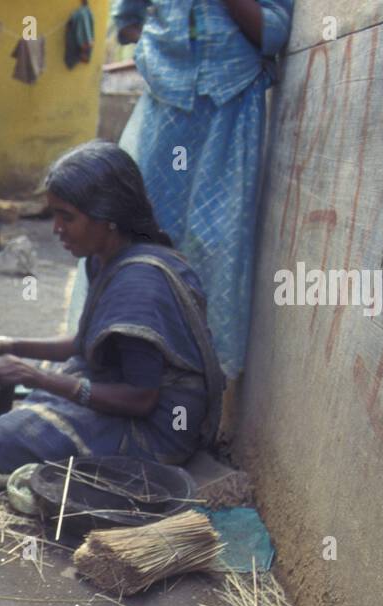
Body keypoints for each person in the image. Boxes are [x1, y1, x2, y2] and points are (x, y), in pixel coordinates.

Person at [0, 141, 224, 482]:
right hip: (121, 387)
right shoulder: (103, 258)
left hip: (157, 429)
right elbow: (84, 343)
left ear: (108, 218)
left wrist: (36, 377)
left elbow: (142, 398)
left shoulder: (140, 283)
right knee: (37, 378)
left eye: (66, 216)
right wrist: (8, 344)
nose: (56, 229)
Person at [113, 0, 294, 381]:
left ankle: (195, 377)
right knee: (148, 230)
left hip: (231, 101)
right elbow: (125, 21)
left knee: (213, 241)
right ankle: (130, 358)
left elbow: (274, 33)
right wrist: (156, 49)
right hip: (166, 101)